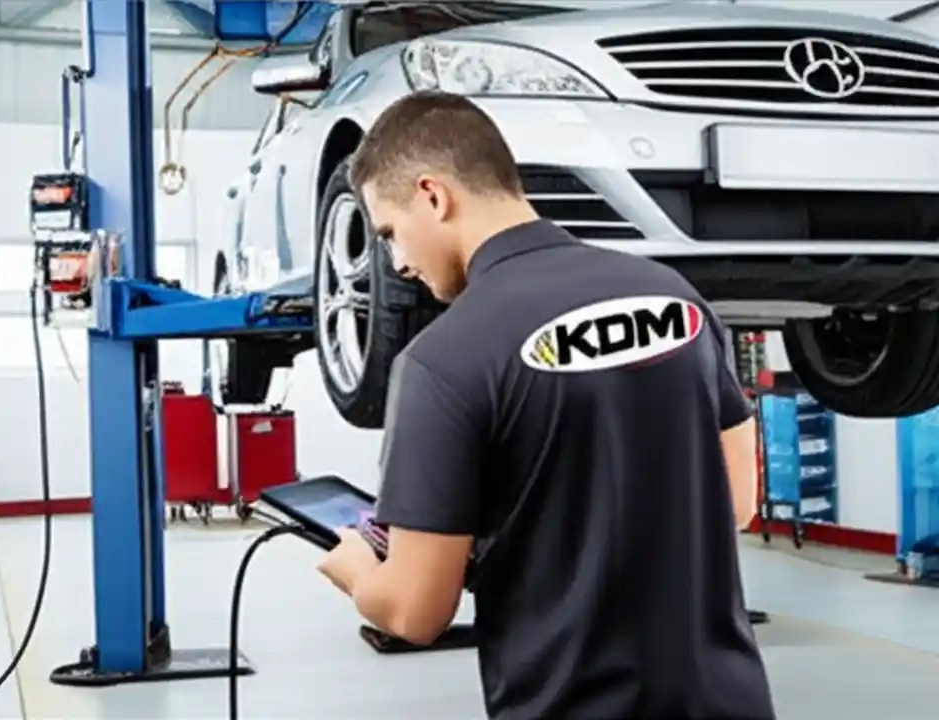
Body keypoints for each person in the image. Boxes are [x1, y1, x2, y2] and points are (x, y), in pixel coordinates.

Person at [315, 91, 775, 719]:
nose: (397, 261)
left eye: (391, 232)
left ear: (433, 195)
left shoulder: (442, 358)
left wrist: (355, 570)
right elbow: (739, 502)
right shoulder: (675, 298)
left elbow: (413, 611)